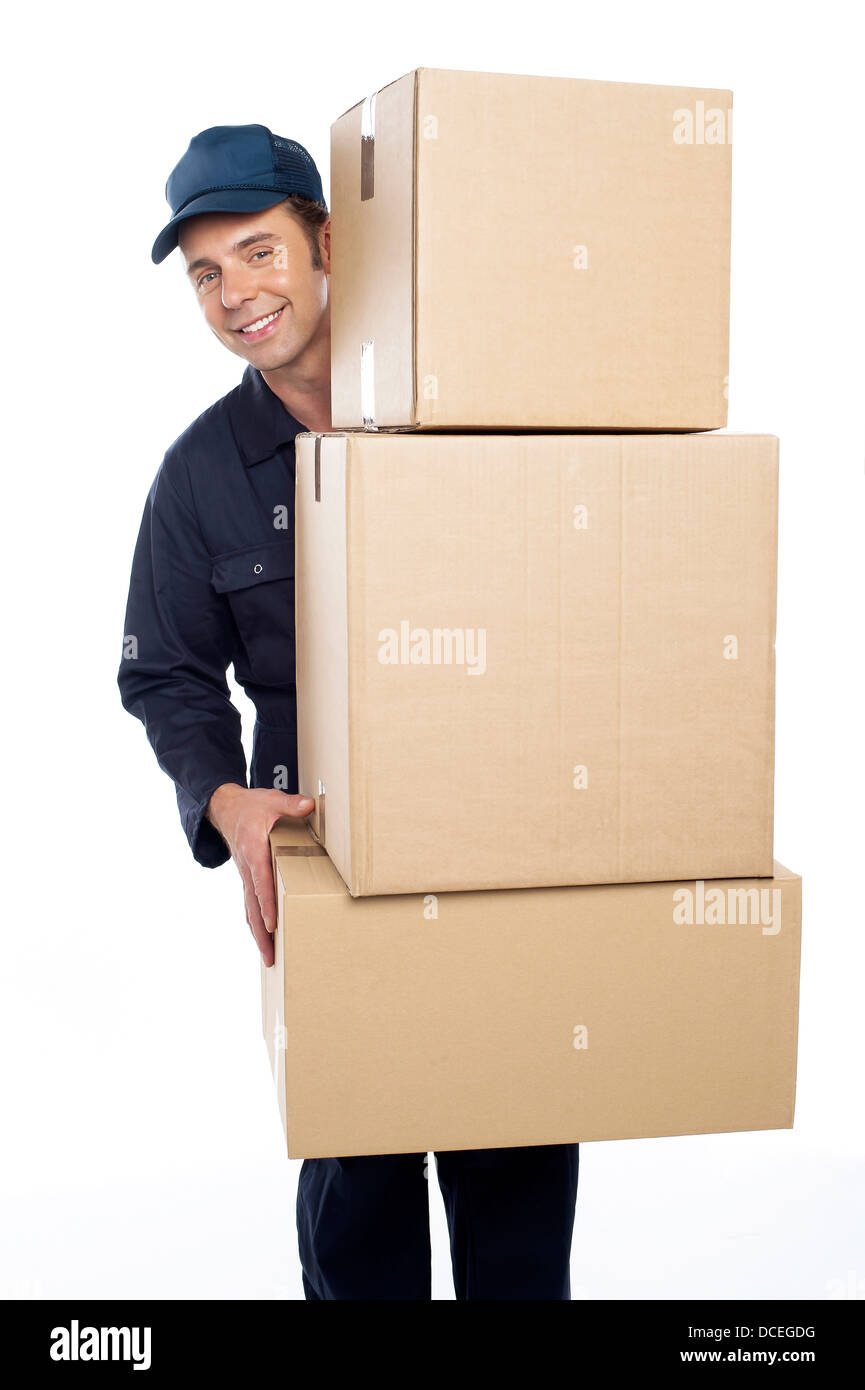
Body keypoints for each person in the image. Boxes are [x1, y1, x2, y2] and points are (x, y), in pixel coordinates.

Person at [117, 123, 579, 1300]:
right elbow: (163, 669)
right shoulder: (200, 475)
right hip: (329, 868)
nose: (237, 295)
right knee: (358, 1213)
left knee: (517, 1191)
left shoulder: (469, 415)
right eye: (207, 274)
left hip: (502, 857)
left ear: (327, 241)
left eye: (259, 252)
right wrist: (221, 799)